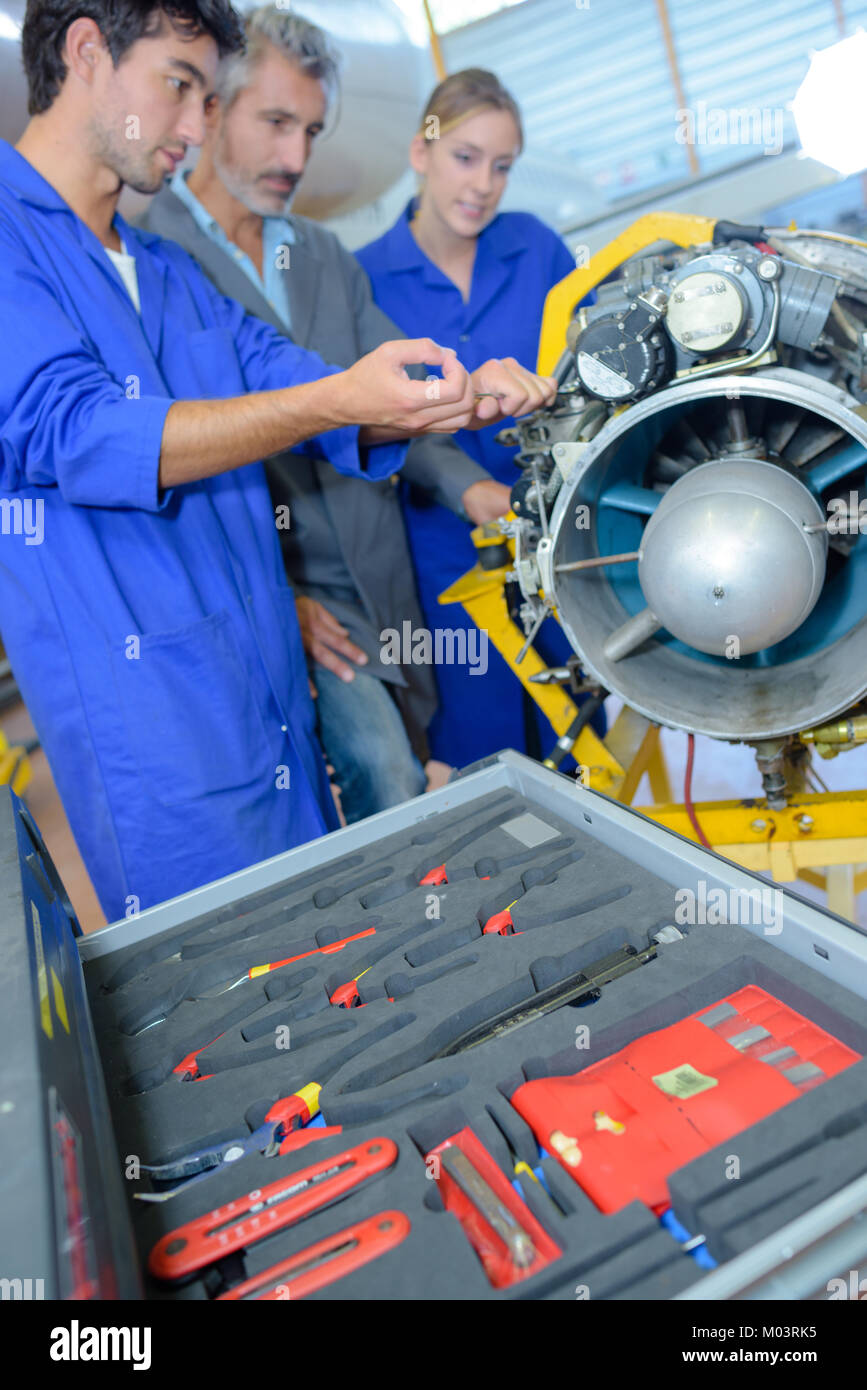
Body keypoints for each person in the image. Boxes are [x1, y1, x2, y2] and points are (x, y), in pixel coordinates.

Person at [0, 2, 556, 922]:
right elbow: (80, 432)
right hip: (164, 736)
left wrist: (447, 391)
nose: (192, 127)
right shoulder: (12, 242)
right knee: (236, 1001)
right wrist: (336, 399)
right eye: (179, 86)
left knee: (331, 965)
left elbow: (311, 383)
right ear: (88, 50)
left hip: (271, 711)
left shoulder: (163, 273)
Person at [140, 6, 513, 824]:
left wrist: (475, 485)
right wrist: (275, 605)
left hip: (378, 578)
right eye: (275, 122)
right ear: (209, 112)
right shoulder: (151, 258)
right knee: (383, 777)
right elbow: (163, 465)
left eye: (310, 129)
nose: (295, 157)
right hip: (283, 595)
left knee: (409, 774)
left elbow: (397, 398)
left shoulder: (319, 254)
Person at [358, 69, 598, 769]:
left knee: (584, 742)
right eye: (465, 157)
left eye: (502, 166)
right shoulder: (363, 279)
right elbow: (368, 428)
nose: (483, 184)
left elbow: (585, 372)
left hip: (557, 540)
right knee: (486, 759)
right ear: (420, 152)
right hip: (443, 559)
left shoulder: (535, 247)